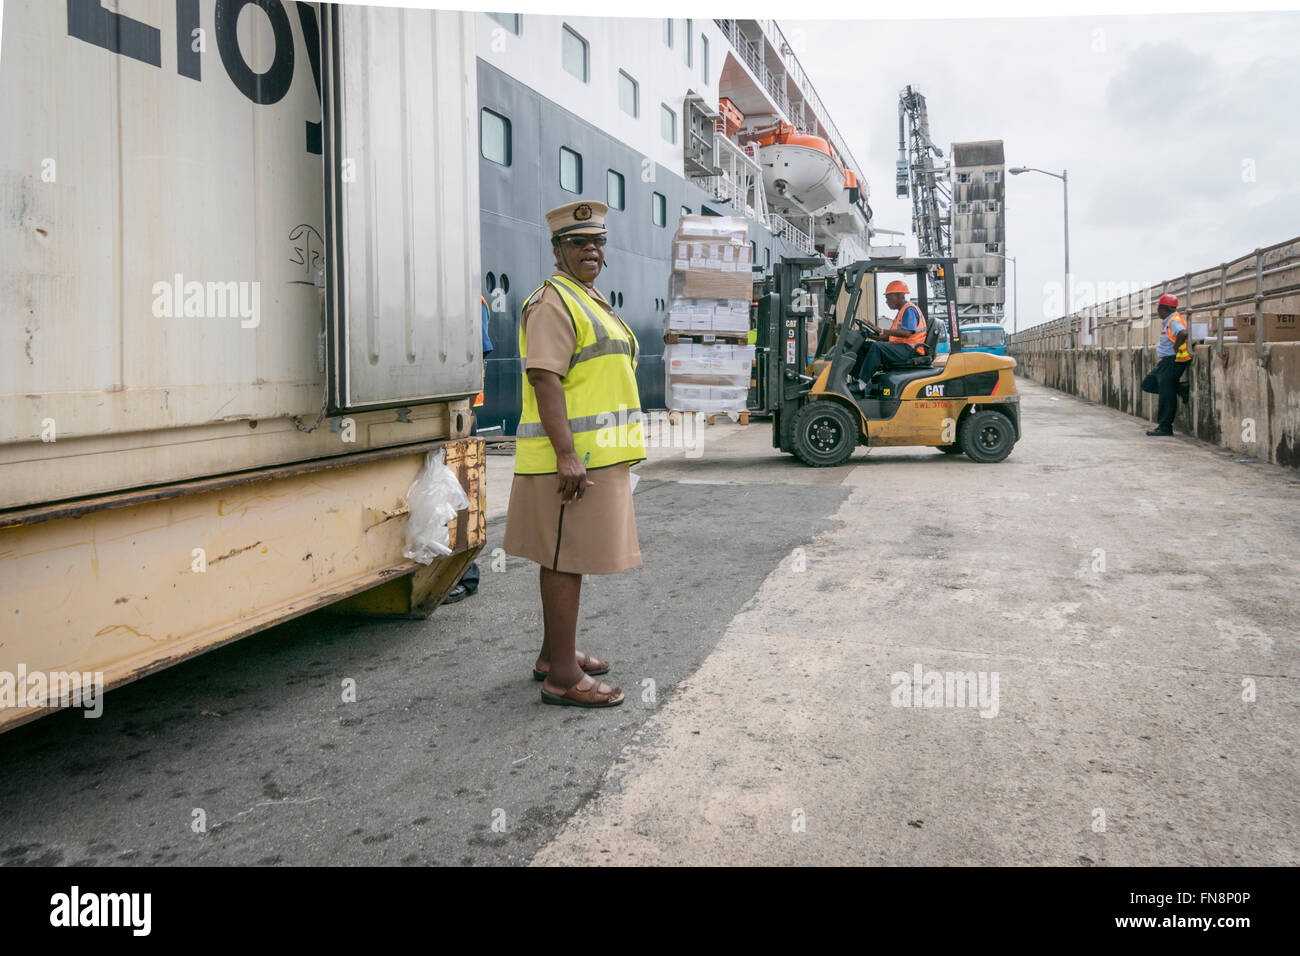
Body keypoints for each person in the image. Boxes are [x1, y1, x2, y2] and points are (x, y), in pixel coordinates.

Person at [502, 200, 645, 708]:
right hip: (570, 460)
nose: (591, 249)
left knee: (569, 556)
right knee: (564, 560)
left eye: (598, 242)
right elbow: (544, 377)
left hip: (594, 454)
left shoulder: (588, 298)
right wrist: (567, 454)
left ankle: (551, 654)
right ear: (558, 249)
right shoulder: (553, 302)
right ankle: (562, 677)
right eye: (578, 242)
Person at [444, 296, 493, 604]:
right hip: (442, 410)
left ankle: (465, 574)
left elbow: (477, 357)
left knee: (461, 490)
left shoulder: (470, 299)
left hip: (458, 413)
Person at [852, 280, 927, 390]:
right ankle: (861, 379)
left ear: (899, 295)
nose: (886, 301)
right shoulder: (902, 311)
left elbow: (907, 332)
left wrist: (882, 330)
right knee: (864, 346)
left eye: (888, 297)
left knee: (877, 347)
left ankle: (862, 384)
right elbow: (890, 337)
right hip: (903, 347)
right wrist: (870, 335)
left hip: (911, 350)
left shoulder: (909, 309)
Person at [1140, 293, 1191, 436]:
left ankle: (1165, 427)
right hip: (1166, 361)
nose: (1157, 312)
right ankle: (1180, 388)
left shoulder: (1173, 320)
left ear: (1165, 309)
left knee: (1166, 396)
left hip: (1173, 361)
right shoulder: (1170, 320)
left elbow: (1183, 333)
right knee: (1147, 384)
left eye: (1159, 309)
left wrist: (1176, 347)